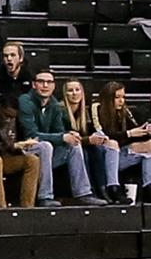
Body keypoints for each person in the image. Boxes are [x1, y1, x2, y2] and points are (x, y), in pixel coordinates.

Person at [18, 70, 102, 206]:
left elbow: (59, 131)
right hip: (24, 148)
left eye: (49, 82)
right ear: (34, 85)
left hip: (47, 153)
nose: (45, 85)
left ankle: (83, 193)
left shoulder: (54, 104)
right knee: (46, 146)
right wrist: (62, 137)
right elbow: (31, 135)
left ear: (54, 86)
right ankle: (45, 196)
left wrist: (70, 134)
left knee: (73, 144)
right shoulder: (25, 101)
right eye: (41, 82)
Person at [97, 80, 151, 200]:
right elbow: (106, 135)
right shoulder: (98, 110)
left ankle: (149, 187)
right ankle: (113, 187)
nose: (121, 101)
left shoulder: (124, 112)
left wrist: (145, 132)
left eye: (123, 97)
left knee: (150, 145)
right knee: (112, 143)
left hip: (121, 154)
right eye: (117, 97)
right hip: (104, 155)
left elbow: (134, 133)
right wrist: (129, 134)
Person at [61, 77, 125, 203]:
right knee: (86, 152)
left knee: (101, 148)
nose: (74, 93)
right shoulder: (60, 110)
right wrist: (89, 140)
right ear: (65, 94)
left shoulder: (85, 111)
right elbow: (64, 136)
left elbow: (89, 134)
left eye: (77, 90)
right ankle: (91, 192)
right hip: (66, 147)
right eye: (70, 90)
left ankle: (107, 189)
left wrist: (99, 139)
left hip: (83, 144)